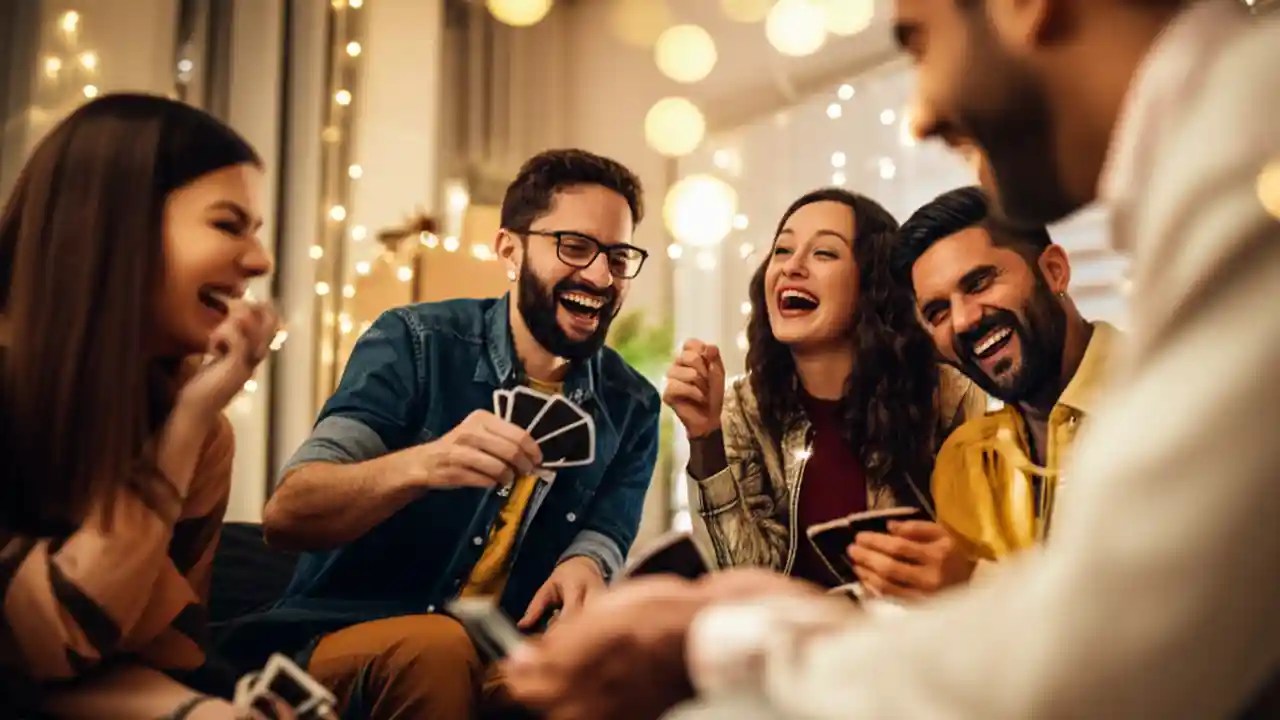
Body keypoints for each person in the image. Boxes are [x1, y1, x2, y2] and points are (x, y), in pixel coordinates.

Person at [503, 1, 1280, 717]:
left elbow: (1101, 650)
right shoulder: (774, 410)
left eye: (919, 39)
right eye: (938, 308)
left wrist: (709, 641)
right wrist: (708, 454)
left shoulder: (1249, 156)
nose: (923, 112)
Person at [230, 149, 661, 719]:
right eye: (575, 248)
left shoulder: (633, 404)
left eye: (619, 256)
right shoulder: (414, 343)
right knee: (440, 648)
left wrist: (586, 565)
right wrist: (424, 465)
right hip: (342, 636)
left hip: (503, 654)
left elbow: (606, 530)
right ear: (510, 249)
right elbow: (290, 513)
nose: (601, 277)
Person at [0, 94, 279, 719]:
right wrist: (184, 427)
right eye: (228, 225)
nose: (260, 262)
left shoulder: (203, 431)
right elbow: (43, 644)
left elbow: (155, 657)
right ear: (115, 226)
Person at [663, 188, 984, 592]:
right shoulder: (741, 409)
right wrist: (704, 438)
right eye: (782, 251)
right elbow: (745, 577)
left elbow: (970, 561)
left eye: (824, 253)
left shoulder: (948, 395)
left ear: (871, 281)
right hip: (789, 640)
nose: (791, 267)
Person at [853, 185, 1120, 581]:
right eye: (938, 311)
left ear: (1054, 271)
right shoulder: (964, 461)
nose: (963, 321)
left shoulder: (1168, 398)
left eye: (979, 284)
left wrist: (972, 584)